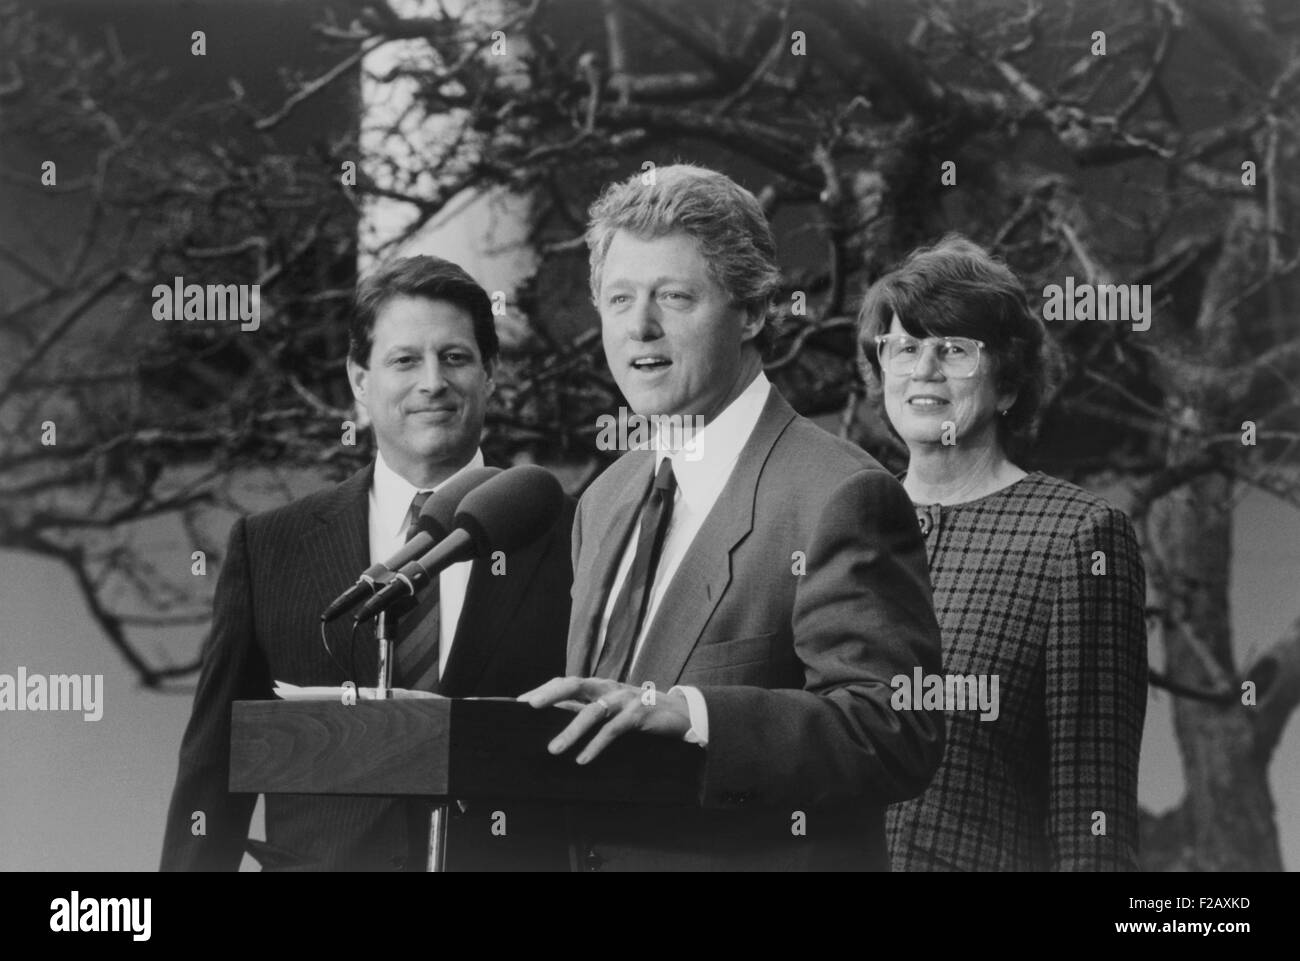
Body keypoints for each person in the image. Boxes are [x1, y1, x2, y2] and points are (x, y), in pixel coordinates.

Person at [518, 164, 945, 871]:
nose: (639, 326)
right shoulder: (603, 498)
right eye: (618, 298)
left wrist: (695, 712)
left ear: (752, 311)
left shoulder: (839, 494)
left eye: (675, 296)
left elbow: (895, 731)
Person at [161, 255, 574, 871]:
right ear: (359, 379)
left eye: (455, 357)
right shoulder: (272, 546)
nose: (432, 381)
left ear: (490, 372)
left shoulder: (572, 533)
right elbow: (213, 770)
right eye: (405, 360)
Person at [857, 234, 1148, 871]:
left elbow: (1090, 818)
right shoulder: (842, 524)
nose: (924, 369)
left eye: (955, 349)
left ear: (1008, 384)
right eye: (905, 347)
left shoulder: (1076, 536)